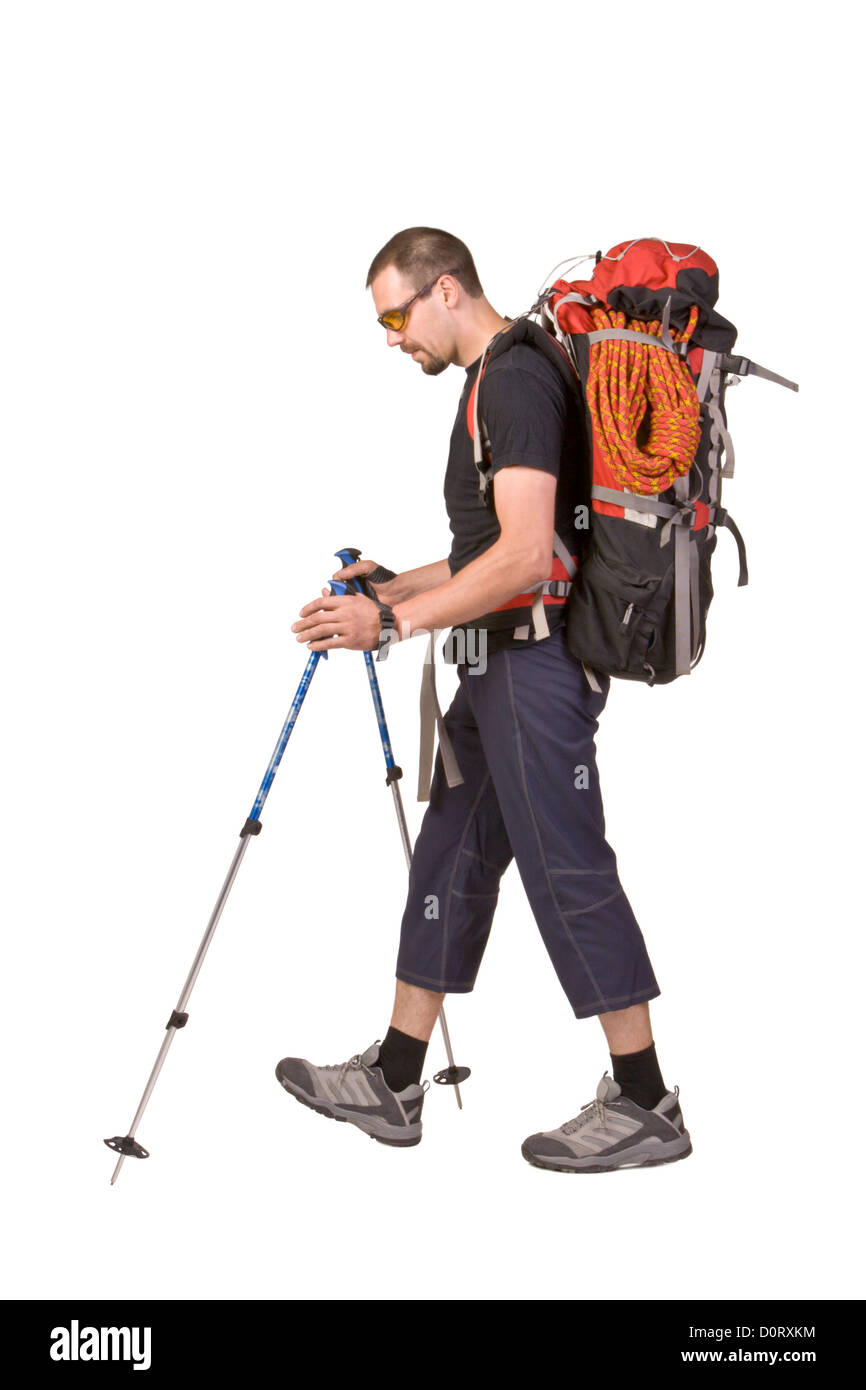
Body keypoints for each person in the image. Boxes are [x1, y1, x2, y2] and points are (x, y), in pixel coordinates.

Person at [275, 228, 692, 1173]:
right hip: (495, 663)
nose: (390, 337)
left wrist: (392, 626)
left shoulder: (511, 379)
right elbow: (485, 552)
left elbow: (527, 557)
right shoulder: (492, 382)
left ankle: (646, 1101)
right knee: (450, 858)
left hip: (535, 671)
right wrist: (390, 587)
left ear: (447, 290)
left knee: (568, 871)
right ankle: (397, 1073)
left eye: (395, 314)